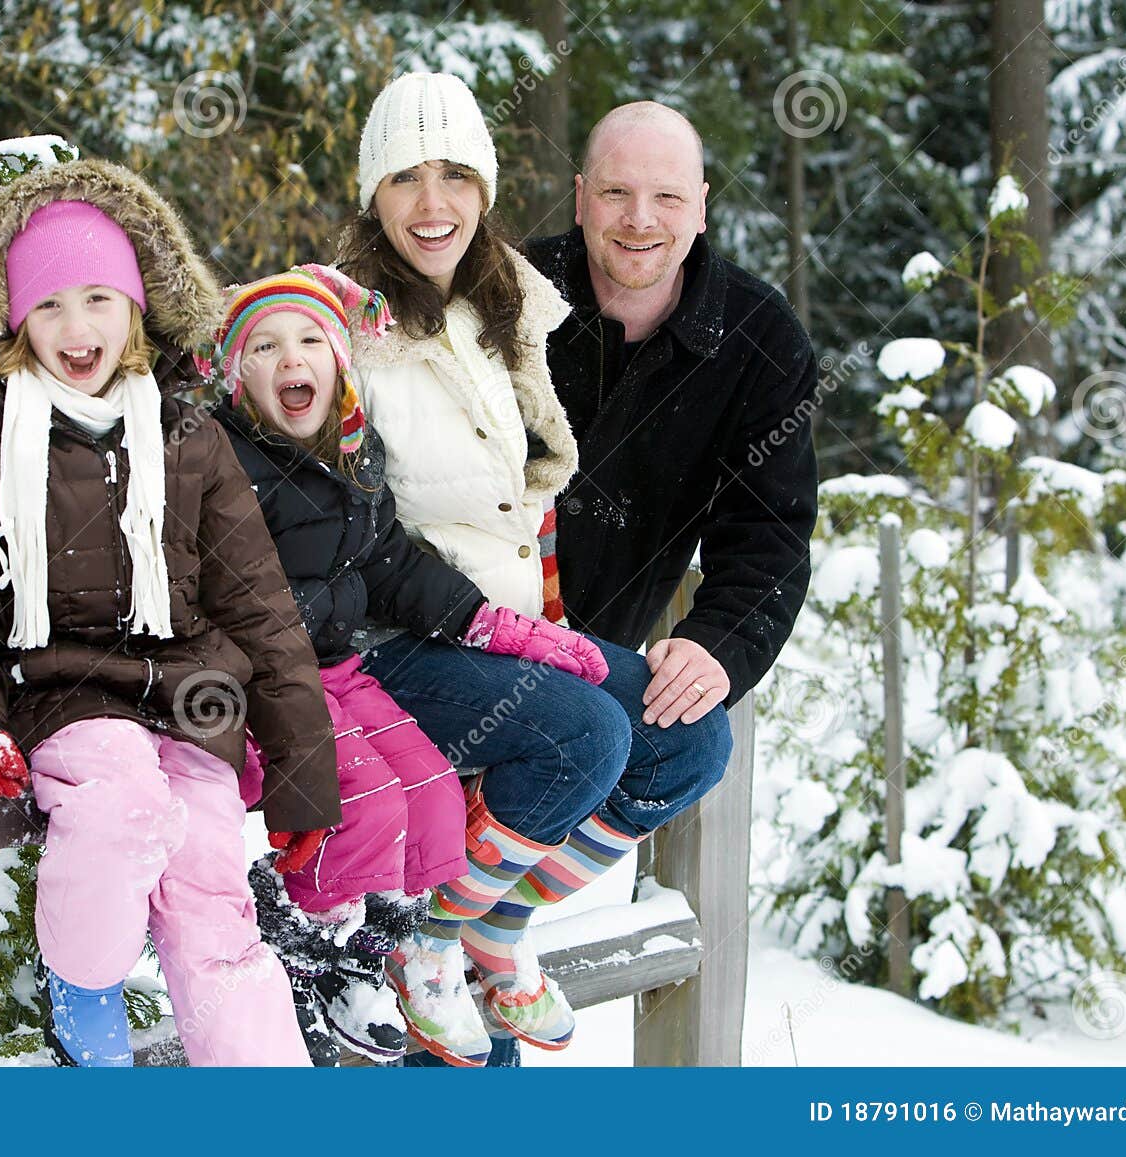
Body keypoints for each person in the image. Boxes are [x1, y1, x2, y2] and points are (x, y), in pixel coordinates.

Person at [334, 73, 732, 1067]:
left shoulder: (503, 311)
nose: (434, 203)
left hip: (500, 636)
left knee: (686, 738)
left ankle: (487, 924)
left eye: (456, 176)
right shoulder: (338, 328)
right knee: (581, 732)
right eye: (407, 177)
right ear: (371, 195)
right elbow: (334, 533)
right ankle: (424, 944)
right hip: (385, 648)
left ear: (487, 187)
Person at [0, 157, 340, 1067]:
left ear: (136, 310)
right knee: (124, 800)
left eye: (100, 298)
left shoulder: (189, 437)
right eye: (51, 303)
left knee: (213, 888)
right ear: (18, 318)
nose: (77, 327)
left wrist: (302, 770)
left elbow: (260, 609)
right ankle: (88, 1001)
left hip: (189, 700)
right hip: (60, 691)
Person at [202, 264, 609, 1064]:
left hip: (339, 672)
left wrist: (495, 625)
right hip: (265, 687)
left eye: (313, 338)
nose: (294, 358)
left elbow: (390, 563)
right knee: (376, 803)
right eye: (266, 345)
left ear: (341, 361)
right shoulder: (220, 460)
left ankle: (378, 953)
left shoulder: (356, 453)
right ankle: (299, 938)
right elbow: (202, 587)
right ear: (237, 373)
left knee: (427, 795)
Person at [528, 101, 817, 737]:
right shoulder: (508, 294)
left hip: (606, 656)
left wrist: (716, 645)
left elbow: (768, 531)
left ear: (702, 206)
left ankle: (529, 841)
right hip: (465, 633)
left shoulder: (762, 340)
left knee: (694, 739)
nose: (640, 219)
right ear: (580, 199)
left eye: (667, 196)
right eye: (615, 191)